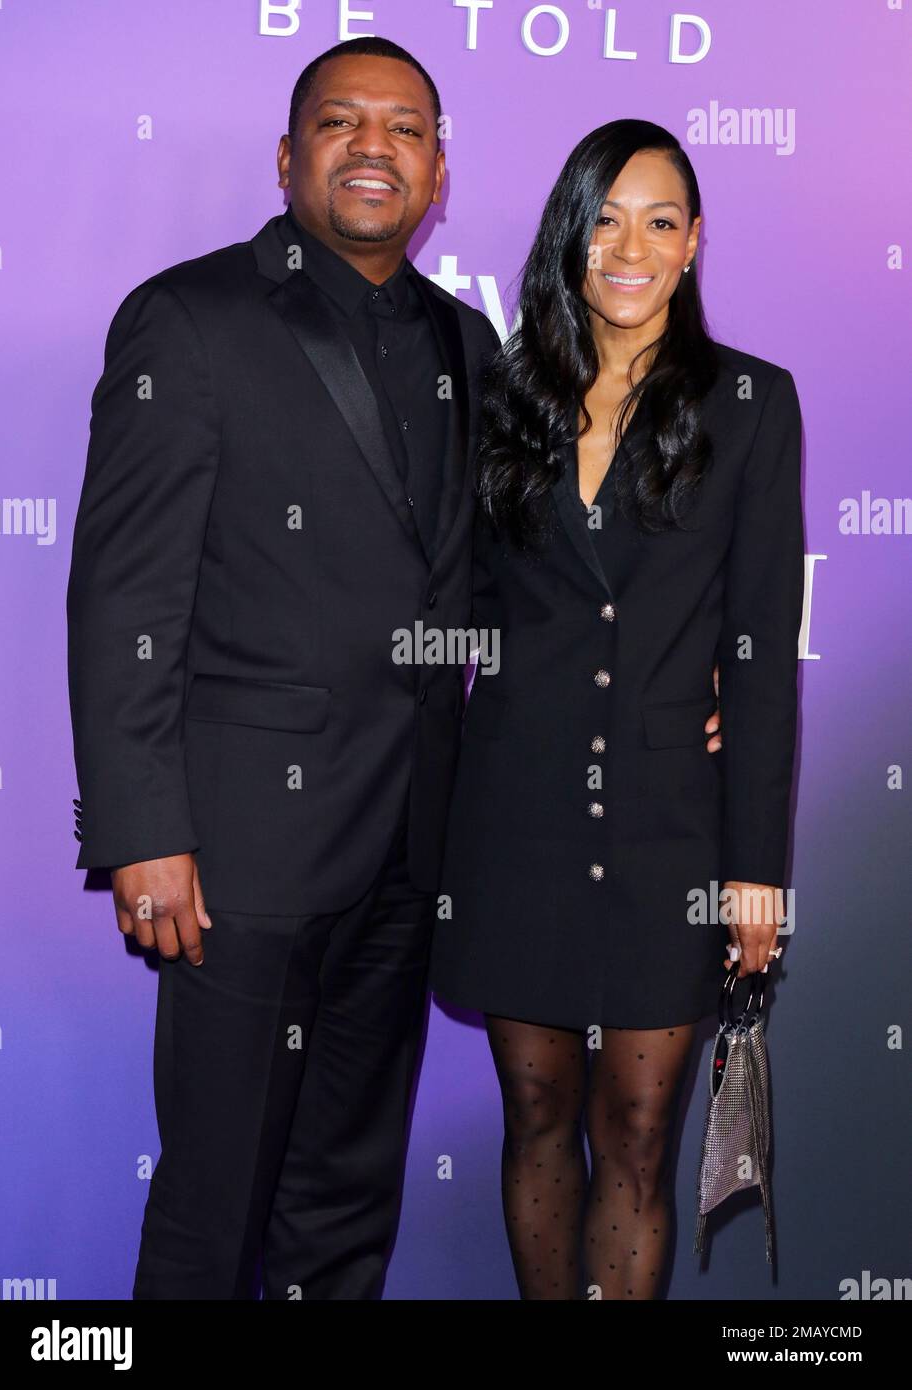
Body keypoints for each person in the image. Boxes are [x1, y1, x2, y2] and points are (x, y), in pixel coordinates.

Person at [66, 36, 500, 1300]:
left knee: (345, 1211)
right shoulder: (189, 318)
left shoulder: (467, 345)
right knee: (214, 1215)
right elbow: (125, 594)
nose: (376, 147)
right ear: (287, 154)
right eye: (342, 122)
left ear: (437, 170)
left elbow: (480, 594)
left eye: (407, 128)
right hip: (240, 863)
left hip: (407, 852)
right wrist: (144, 828)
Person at [428, 119, 804, 1300]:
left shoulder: (750, 403)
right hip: (515, 815)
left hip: (667, 834)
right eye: (602, 217)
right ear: (568, 236)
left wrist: (755, 868)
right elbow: (461, 611)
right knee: (537, 1120)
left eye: (657, 220)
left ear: (693, 243)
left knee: (634, 1141)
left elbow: (757, 656)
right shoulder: (501, 398)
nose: (627, 246)